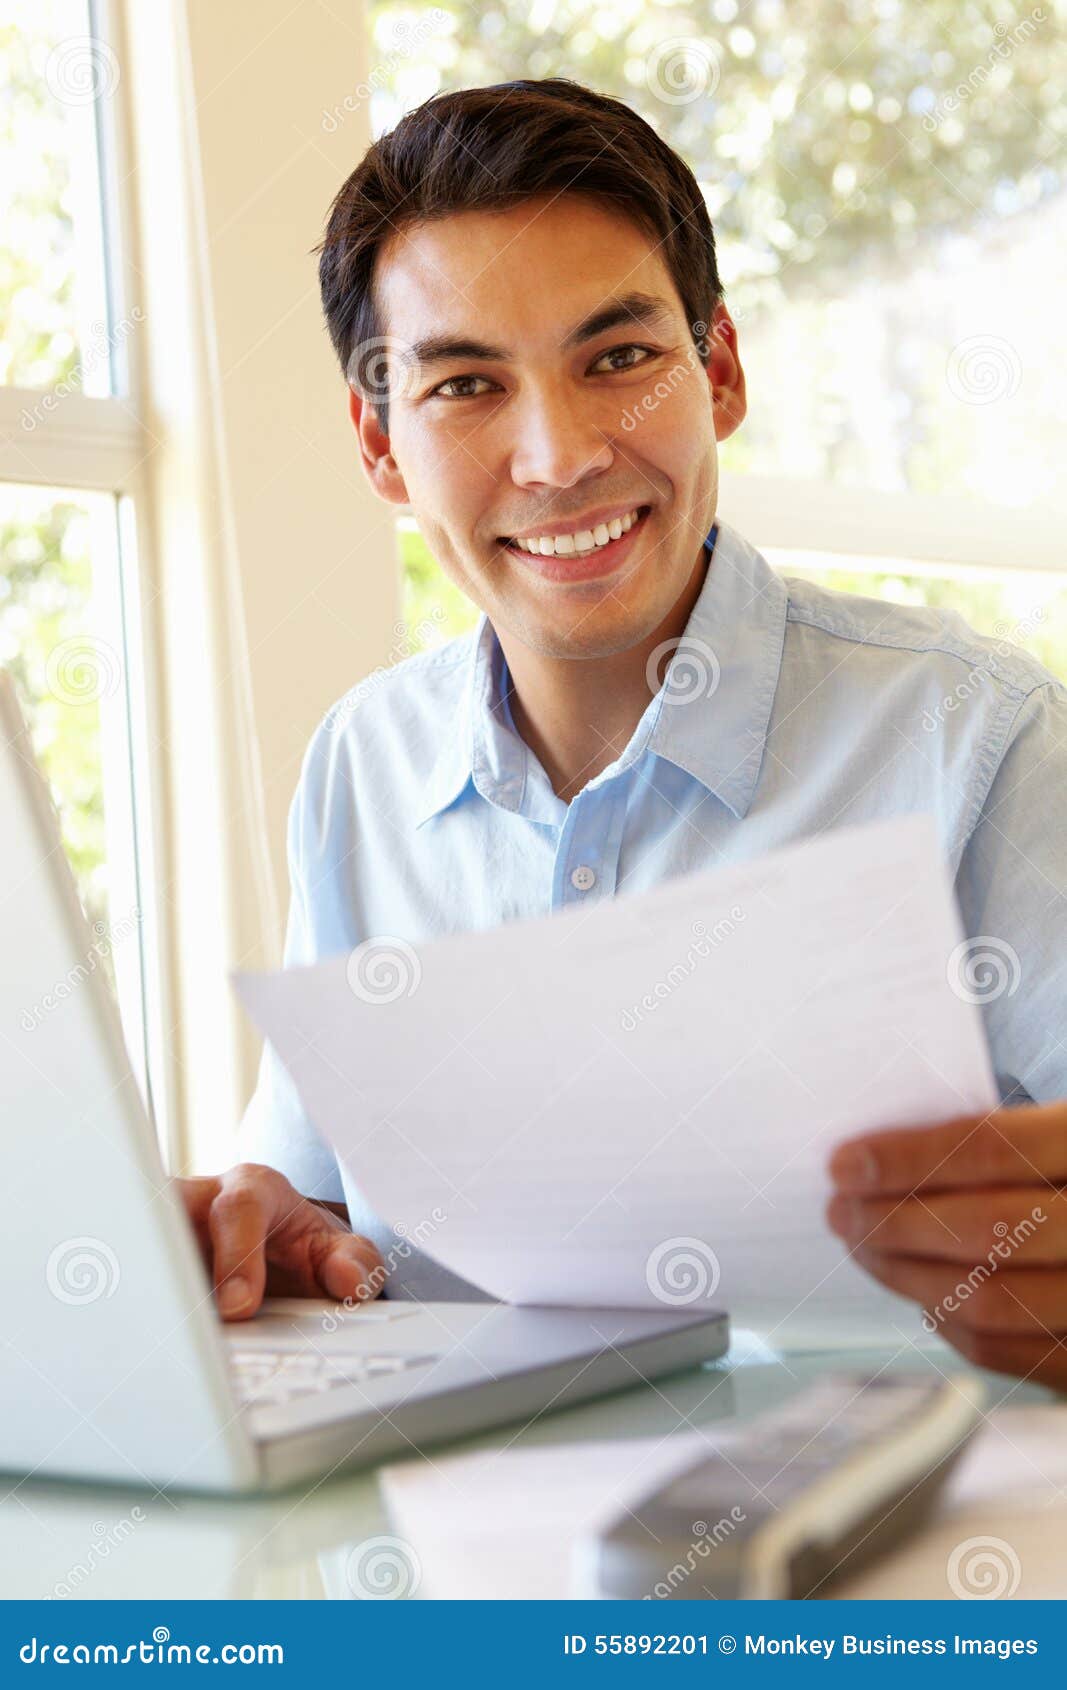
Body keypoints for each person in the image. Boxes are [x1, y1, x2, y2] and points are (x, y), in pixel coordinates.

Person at [182, 78, 1067, 1386]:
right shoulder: (362, 766)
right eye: (468, 384)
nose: (560, 454)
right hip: (461, 1566)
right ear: (380, 444)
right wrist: (255, 1224)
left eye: (619, 359)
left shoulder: (980, 737)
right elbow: (305, 1202)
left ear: (719, 370)